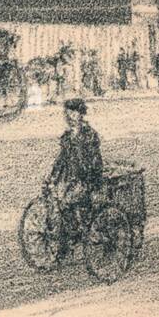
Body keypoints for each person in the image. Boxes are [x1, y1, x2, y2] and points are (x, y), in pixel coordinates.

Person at [44, 98, 104, 255]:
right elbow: (61, 160)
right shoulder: (67, 137)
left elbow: (96, 162)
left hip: (88, 181)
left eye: (73, 112)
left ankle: (77, 233)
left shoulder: (89, 135)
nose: (70, 116)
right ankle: (67, 239)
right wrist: (52, 178)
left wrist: (87, 178)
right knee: (55, 200)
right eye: (68, 113)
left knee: (66, 202)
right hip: (71, 180)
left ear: (81, 114)